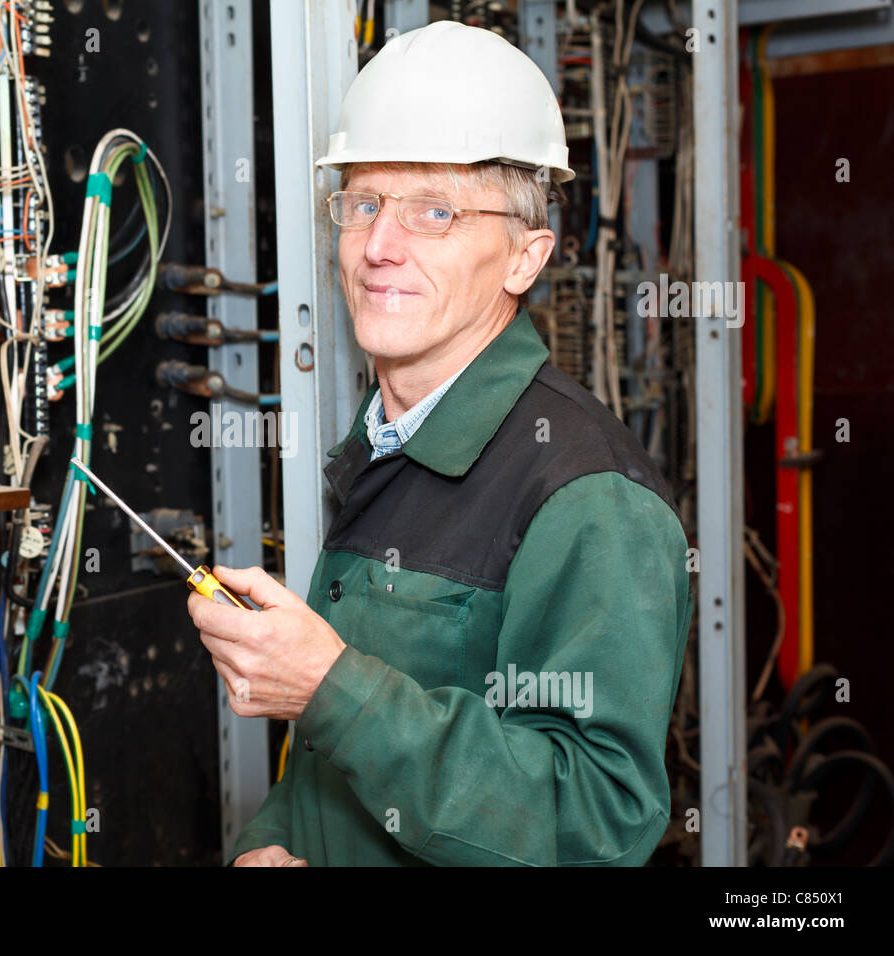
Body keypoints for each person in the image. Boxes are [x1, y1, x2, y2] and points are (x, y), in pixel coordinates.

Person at [188, 20, 693, 866]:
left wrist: (327, 687)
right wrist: (275, 837)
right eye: (363, 204)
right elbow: (340, 758)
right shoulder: (387, 439)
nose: (380, 248)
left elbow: (598, 825)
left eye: (435, 210)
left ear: (525, 259)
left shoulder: (588, 498)